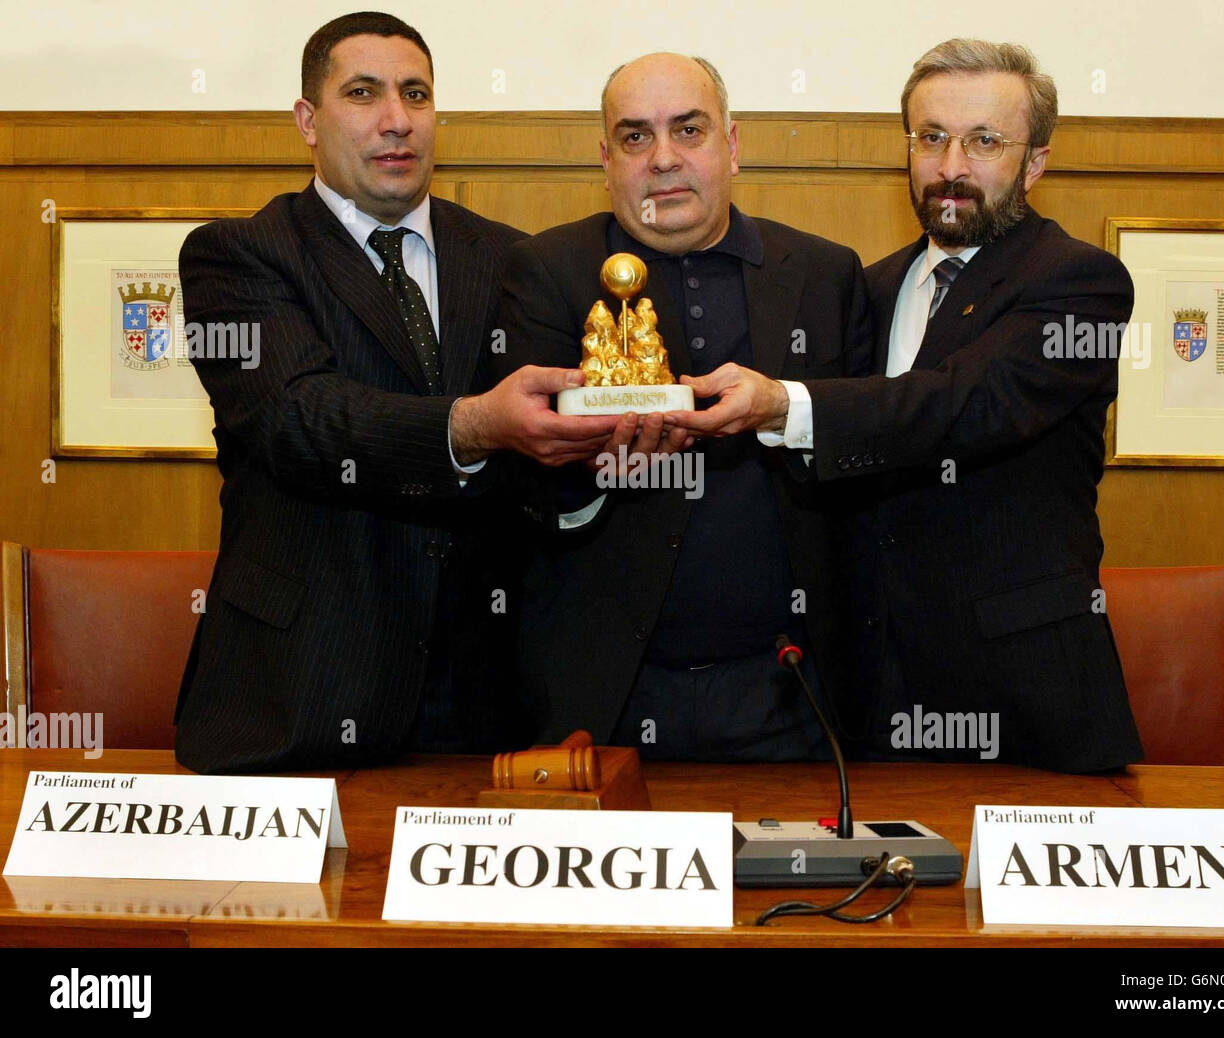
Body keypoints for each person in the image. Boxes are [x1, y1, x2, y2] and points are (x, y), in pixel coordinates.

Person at [670, 39, 1143, 773]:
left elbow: (962, 403)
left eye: (985, 141)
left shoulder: (1083, 283)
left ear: (1036, 161)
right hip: (872, 696)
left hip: (1024, 698)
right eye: (932, 138)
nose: (952, 166)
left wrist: (781, 406)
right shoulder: (872, 286)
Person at [174, 12, 621, 773]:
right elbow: (299, 419)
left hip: (487, 701)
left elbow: (532, 463)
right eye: (363, 93)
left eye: (416, 94)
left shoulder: (512, 257)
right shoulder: (239, 255)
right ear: (308, 122)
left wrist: (594, 459)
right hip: (302, 691)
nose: (396, 120)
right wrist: (475, 424)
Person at [493, 52, 872, 761]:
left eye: (688, 131)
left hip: (790, 686)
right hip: (604, 692)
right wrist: (590, 468)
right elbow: (516, 482)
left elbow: (865, 461)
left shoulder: (826, 274)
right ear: (606, 160)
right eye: (636, 137)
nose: (663, 159)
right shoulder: (545, 271)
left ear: (731, 145)